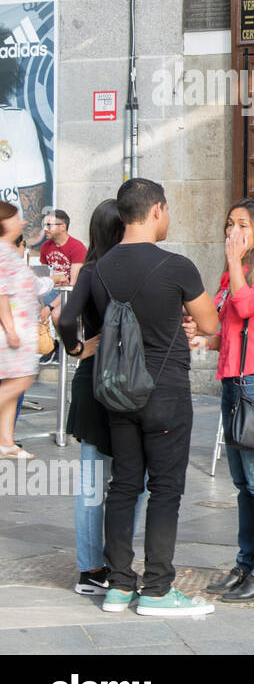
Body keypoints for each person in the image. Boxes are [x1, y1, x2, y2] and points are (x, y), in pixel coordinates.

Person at [93, 178, 220, 616]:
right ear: (155, 211)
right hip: (165, 391)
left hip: (118, 391)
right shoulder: (177, 266)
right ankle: (158, 590)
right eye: (166, 211)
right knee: (165, 489)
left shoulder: (100, 267)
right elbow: (210, 323)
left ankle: (118, 585)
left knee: (124, 485)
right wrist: (185, 321)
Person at [186, 199, 254, 603]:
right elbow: (225, 328)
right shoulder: (235, 273)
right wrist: (203, 336)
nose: (233, 231)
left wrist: (233, 262)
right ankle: (246, 563)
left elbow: (247, 307)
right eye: (230, 224)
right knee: (243, 483)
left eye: (242, 224)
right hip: (231, 382)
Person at [56, 199, 130, 596]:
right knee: (131, 478)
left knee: (90, 481)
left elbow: (66, 319)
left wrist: (77, 349)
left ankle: (89, 570)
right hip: (124, 380)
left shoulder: (89, 268)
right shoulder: (126, 268)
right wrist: (80, 347)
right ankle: (120, 562)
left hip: (91, 380)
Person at [0, 201, 38, 460]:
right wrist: (11, 329)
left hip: (19, 329)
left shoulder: (8, 251)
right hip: (13, 331)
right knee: (22, 380)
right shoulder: (3, 252)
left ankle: (6, 441)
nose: (21, 222)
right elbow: (1, 293)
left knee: (14, 383)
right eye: (17, 219)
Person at [40, 209, 86, 288]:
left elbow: (73, 285)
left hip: (67, 293)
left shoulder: (77, 247)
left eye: (49, 225)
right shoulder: (45, 246)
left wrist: (55, 301)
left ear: (63, 227)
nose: (45, 229)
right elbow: (43, 279)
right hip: (49, 291)